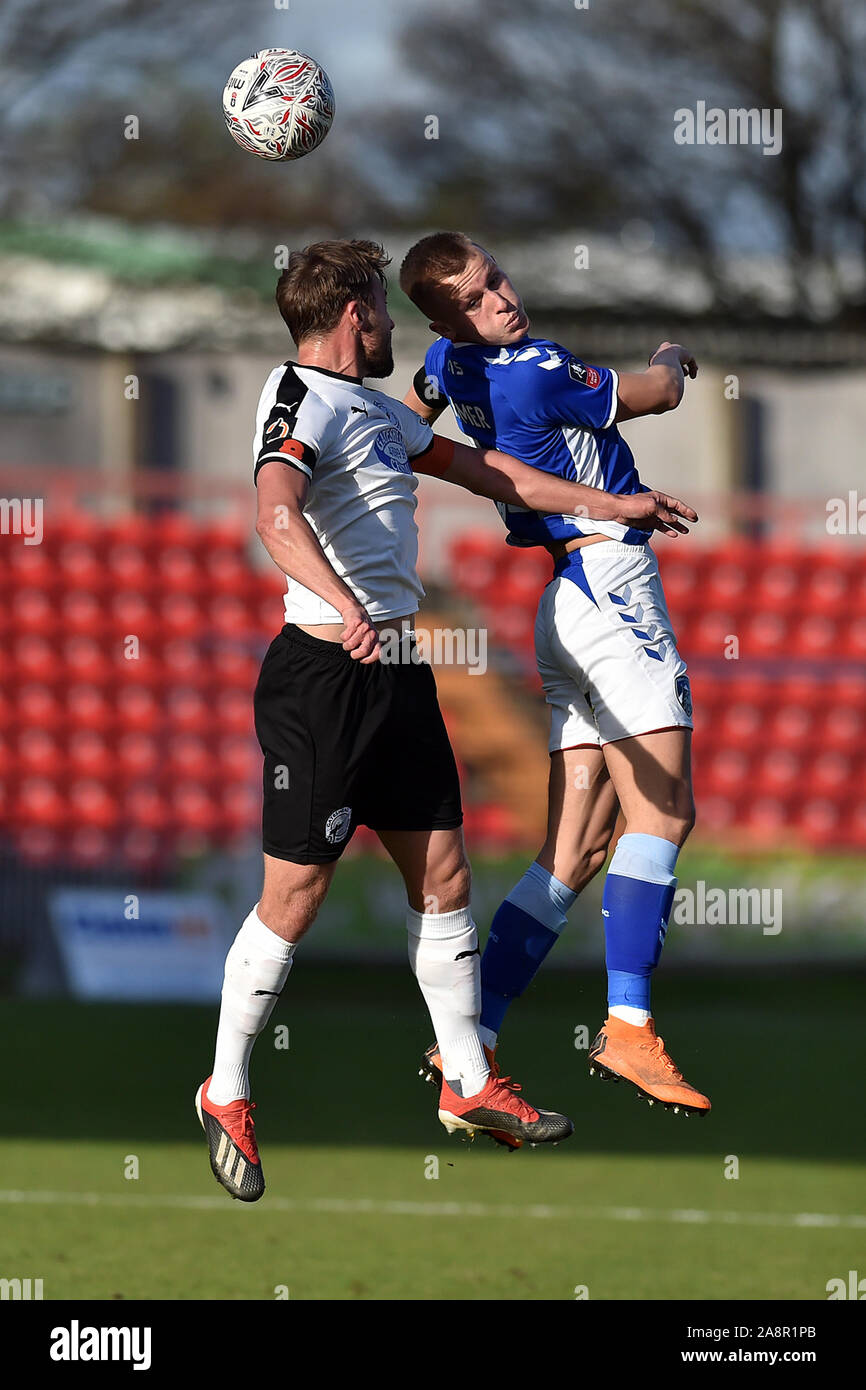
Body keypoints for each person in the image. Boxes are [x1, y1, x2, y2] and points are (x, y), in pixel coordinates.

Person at [195, 239, 697, 1201]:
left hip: (396, 667)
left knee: (445, 876)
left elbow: (499, 477)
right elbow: (274, 513)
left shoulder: (381, 412)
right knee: (296, 895)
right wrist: (340, 604)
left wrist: (612, 502)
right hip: (325, 672)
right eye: (381, 309)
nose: (392, 325)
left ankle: (468, 1083)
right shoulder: (299, 399)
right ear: (354, 316)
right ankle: (227, 1089)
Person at [400, 232, 710, 1128]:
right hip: (611, 586)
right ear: (449, 316)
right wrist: (667, 355)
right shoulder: (536, 365)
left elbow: (419, 400)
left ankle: (475, 1045)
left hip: (563, 609)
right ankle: (628, 1024)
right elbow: (657, 395)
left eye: (496, 277)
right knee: (667, 814)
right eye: (475, 294)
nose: (501, 296)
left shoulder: (448, 364)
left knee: (571, 852)